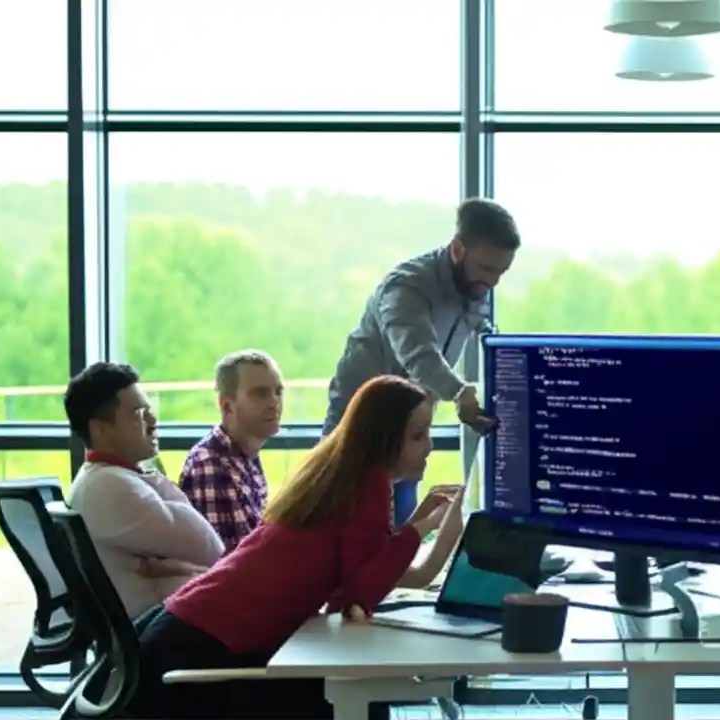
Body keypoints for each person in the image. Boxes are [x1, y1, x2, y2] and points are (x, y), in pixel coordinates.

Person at [129, 375, 467, 719]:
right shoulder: (368, 487)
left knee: (358, 692)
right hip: (201, 650)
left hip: (183, 631)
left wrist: (418, 526)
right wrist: (424, 528)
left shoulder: (341, 475)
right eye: (417, 436)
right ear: (384, 439)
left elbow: (360, 575)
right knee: (358, 695)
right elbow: (357, 592)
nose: (429, 447)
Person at [323, 197, 519, 526]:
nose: (493, 283)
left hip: (407, 433)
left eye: (501, 272)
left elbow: (485, 336)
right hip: (359, 432)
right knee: (343, 533)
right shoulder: (406, 287)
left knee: (397, 539)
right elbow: (418, 353)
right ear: (458, 250)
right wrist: (458, 392)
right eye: (486, 269)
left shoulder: (475, 289)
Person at [63, 362, 225, 619]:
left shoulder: (110, 479)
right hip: (163, 636)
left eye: (150, 410)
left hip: (170, 621)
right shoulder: (110, 487)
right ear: (101, 429)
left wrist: (179, 566)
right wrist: (192, 567)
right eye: (138, 414)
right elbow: (209, 548)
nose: (153, 421)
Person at [180, 349, 284, 552]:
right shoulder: (212, 463)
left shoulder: (245, 454)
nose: (274, 402)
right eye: (260, 394)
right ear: (227, 406)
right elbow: (232, 563)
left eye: (278, 392)